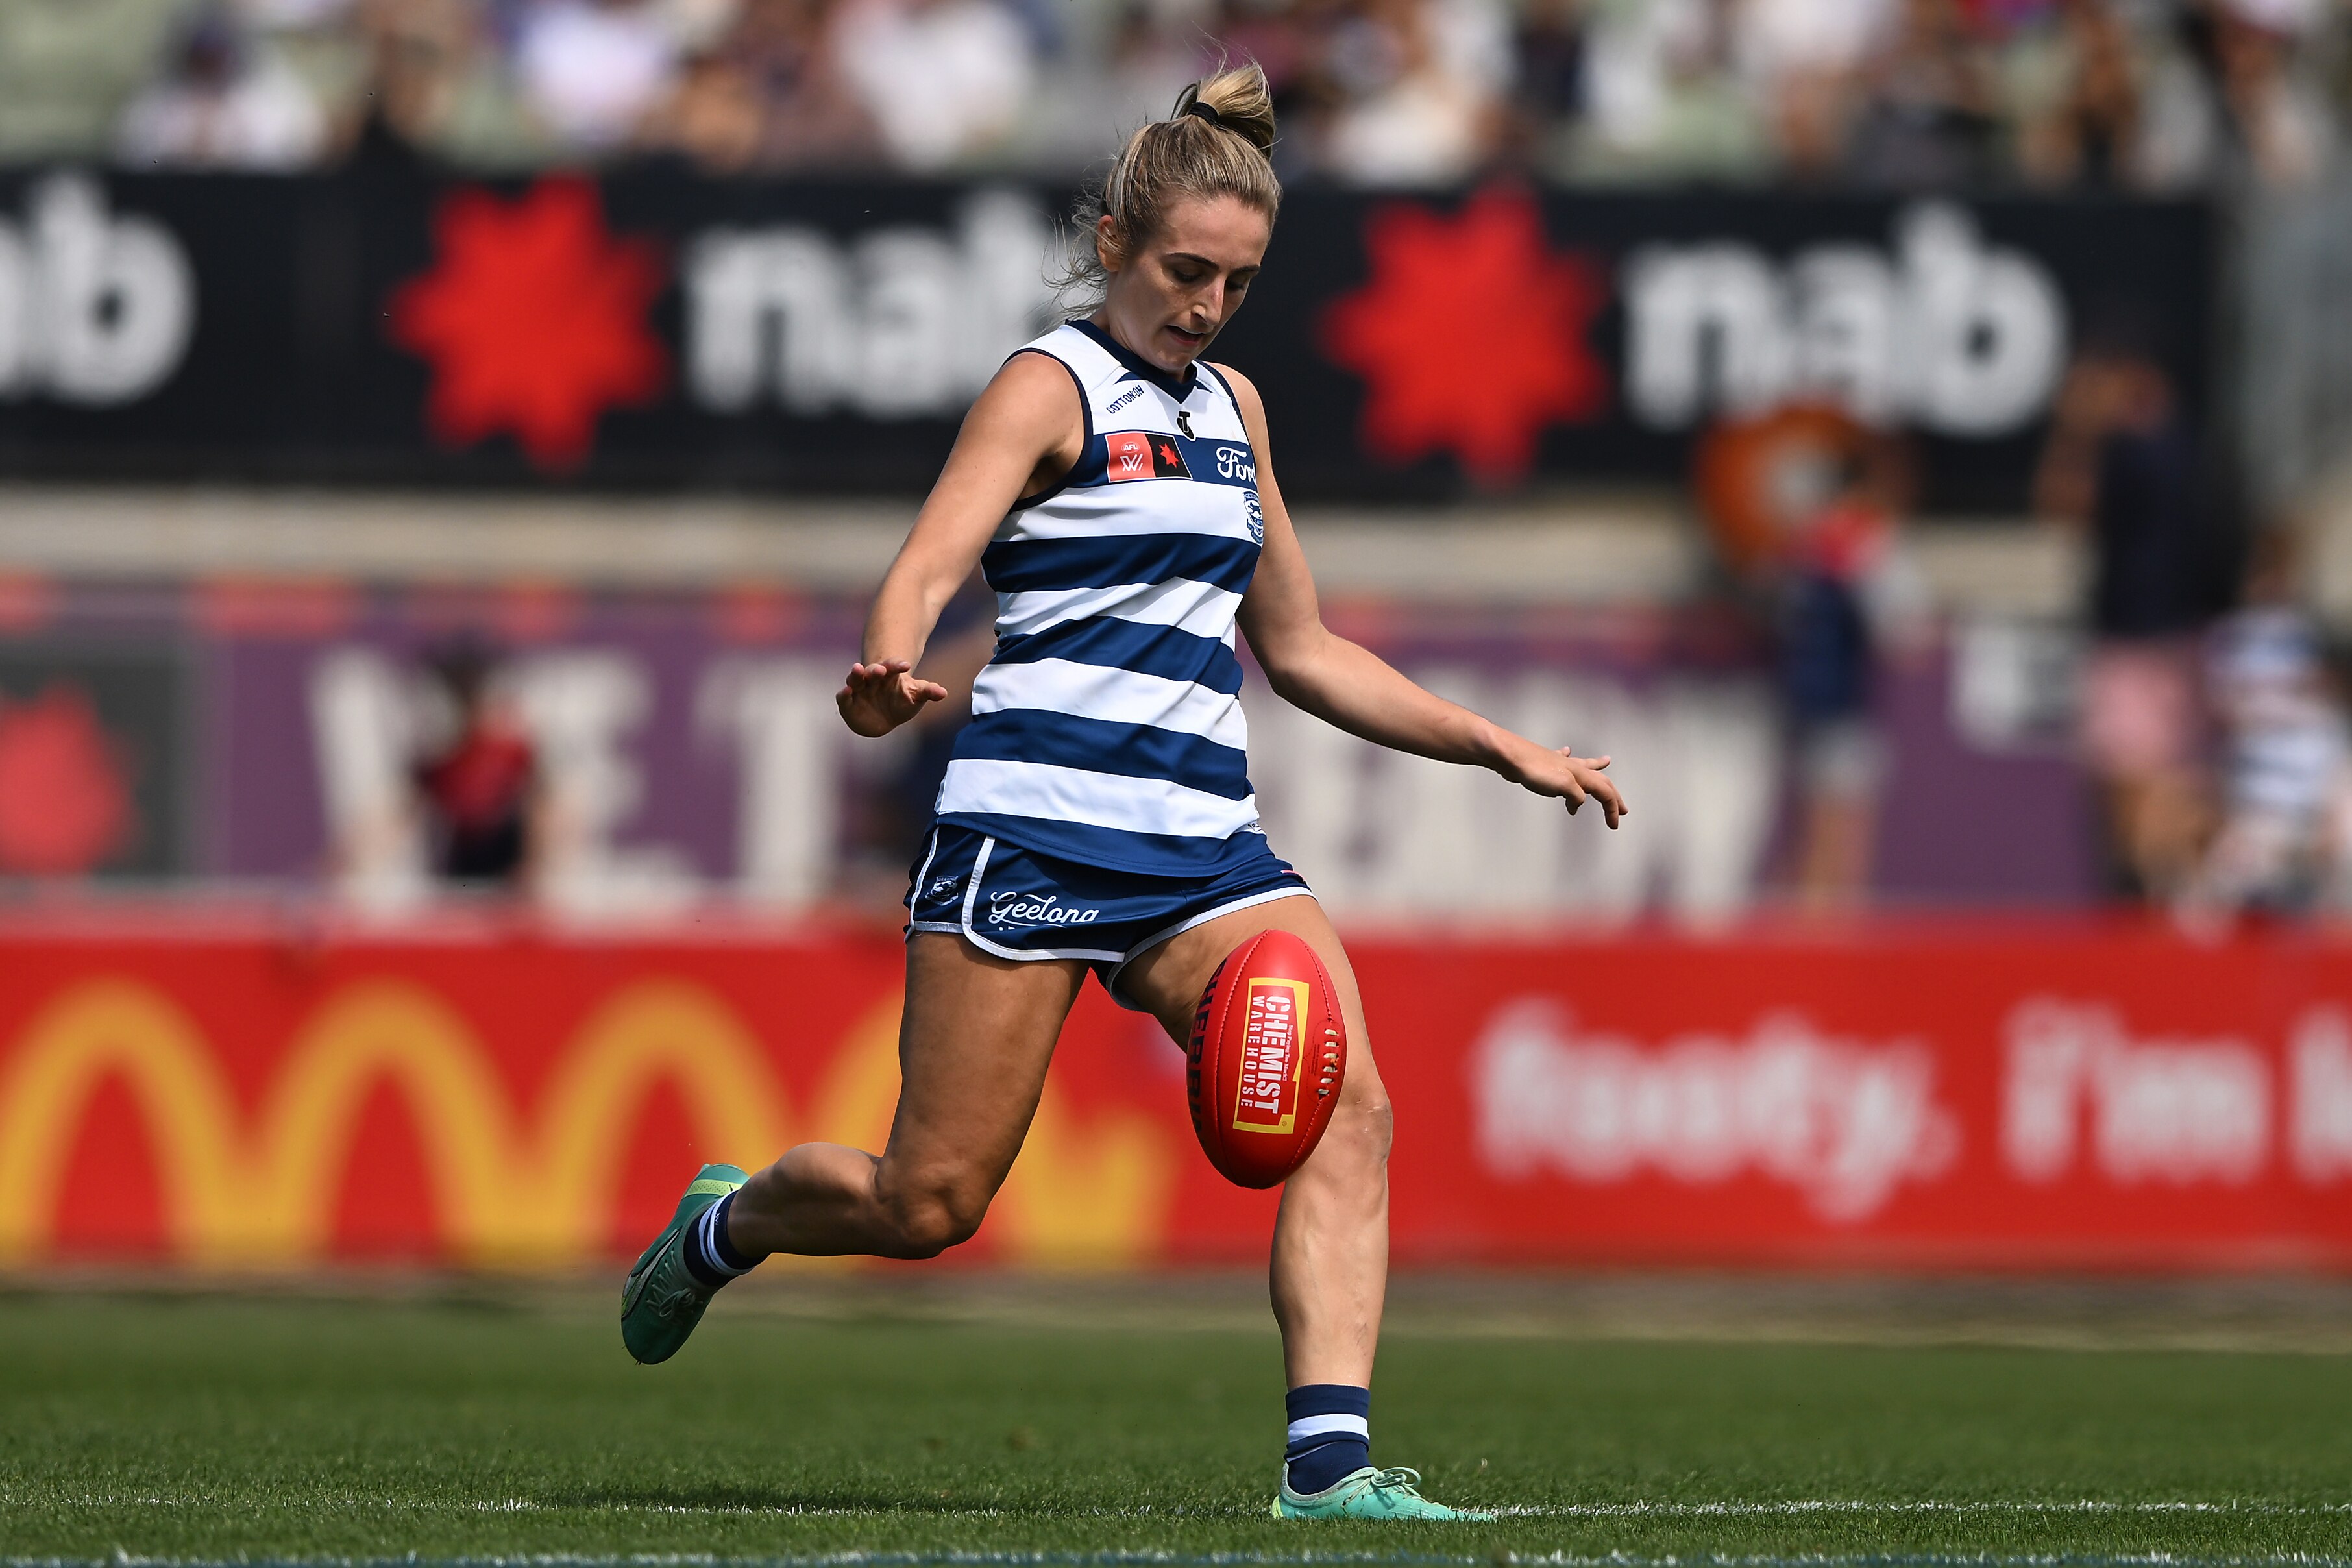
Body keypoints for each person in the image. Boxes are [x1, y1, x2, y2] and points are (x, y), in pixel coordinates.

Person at [616, 63, 1624, 1521]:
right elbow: (927, 562)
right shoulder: (1048, 385)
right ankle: (730, 1223)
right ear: (1113, 245)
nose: (1208, 307)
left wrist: (1497, 742)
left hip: (1206, 852)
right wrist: (884, 668)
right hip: (1030, 837)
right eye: (1185, 272)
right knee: (928, 1203)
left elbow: (1302, 649)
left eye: (1239, 282)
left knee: (1352, 1107)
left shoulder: (1235, 411)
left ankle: (1328, 1470)